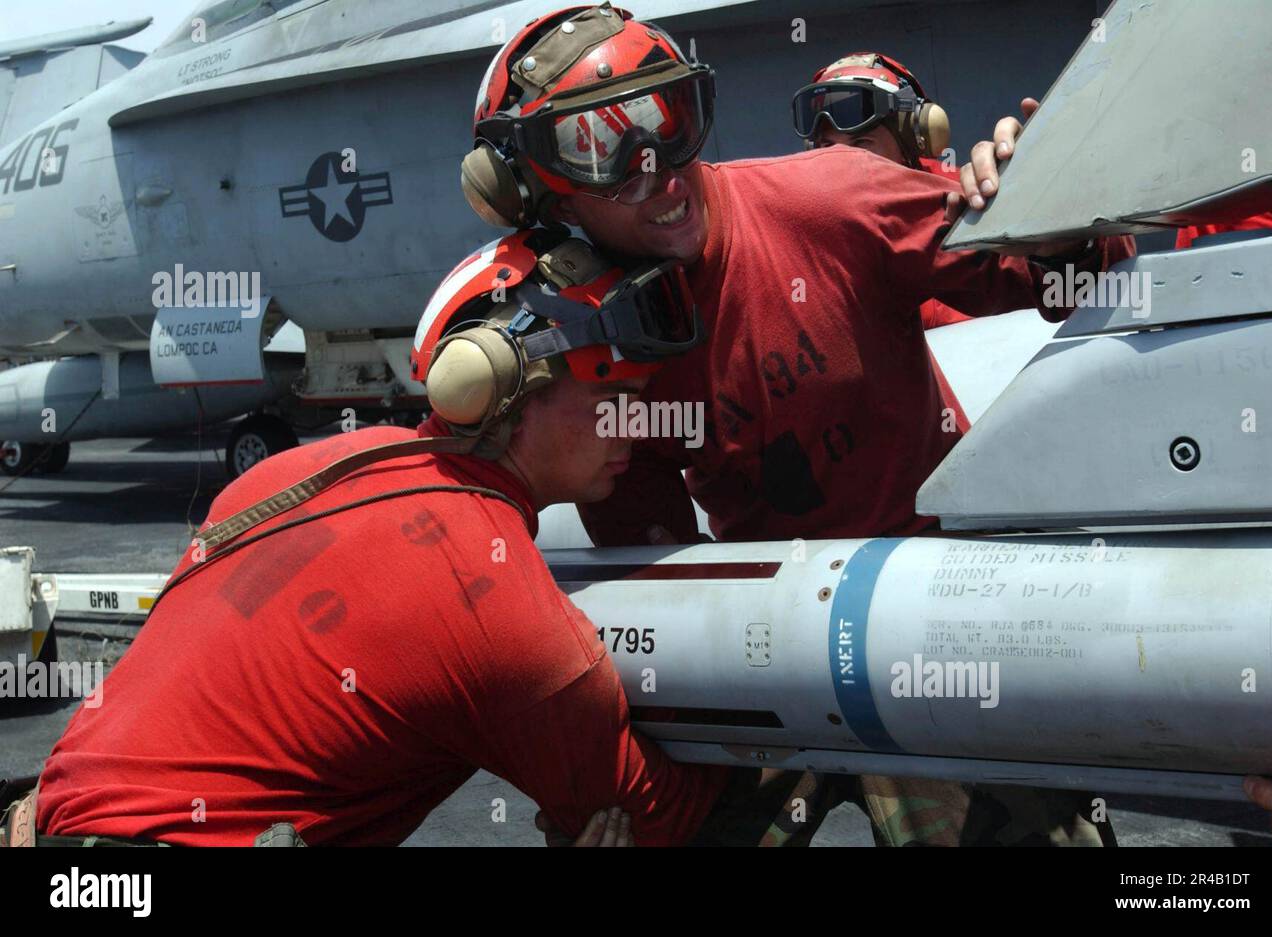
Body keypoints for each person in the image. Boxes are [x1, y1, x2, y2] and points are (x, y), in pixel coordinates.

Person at [461, 3, 1136, 846]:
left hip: (930, 611)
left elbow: (1076, 281)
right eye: (598, 149)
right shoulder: (599, 348)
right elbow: (649, 563)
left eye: (666, 121)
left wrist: (1064, 214)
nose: (657, 171)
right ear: (535, 190)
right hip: (759, 634)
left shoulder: (836, 201)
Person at [17, 230, 728, 846]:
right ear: (509, 385)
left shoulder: (288, 474)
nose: (631, 427)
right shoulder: (490, 594)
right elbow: (654, 820)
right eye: (614, 399)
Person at [792, 51, 968, 328]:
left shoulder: (971, 200)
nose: (840, 166)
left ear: (911, 140)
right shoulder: (798, 239)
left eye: (861, 144)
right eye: (827, 149)